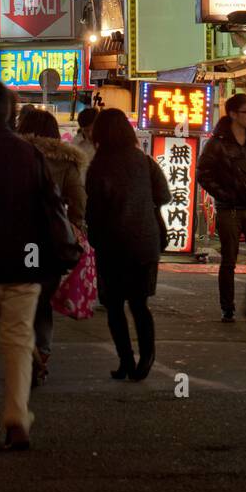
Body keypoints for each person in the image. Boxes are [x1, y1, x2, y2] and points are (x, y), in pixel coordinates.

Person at [0, 77, 63, 450]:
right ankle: (17, 415)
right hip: (25, 264)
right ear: (10, 112)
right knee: (19, 342)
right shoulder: (29, 155)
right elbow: (49, 207)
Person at [86, 108, 170, 381]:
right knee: (139, 304)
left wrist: (93, 239)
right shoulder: (144, 161)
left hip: (113, 245)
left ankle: (125, 360)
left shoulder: (99, 165)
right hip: (145, 242)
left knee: (114, 307)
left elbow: (94, 210)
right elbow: (164, 196)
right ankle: (147, 357)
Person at [17, 106, 86, 385]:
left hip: (17, 240)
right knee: (42, 300)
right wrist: (74, 227)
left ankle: (26, 352)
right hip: (51, 243)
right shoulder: (66, 162)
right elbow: (79, 201)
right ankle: (41, 354)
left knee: (18, 299)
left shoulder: (14, 156)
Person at [196, 93, 246, 322]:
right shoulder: (217, 143)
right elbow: (203, 173)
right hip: (229, 208)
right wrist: (223, 193)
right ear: (233, 114)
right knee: (229, 259)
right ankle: (227, 307)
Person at [72, 107, 99, 174]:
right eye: (86, 130)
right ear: (81, 129)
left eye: (93, 129)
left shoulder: (108, 143)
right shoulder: (76, 144)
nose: (90, 134)